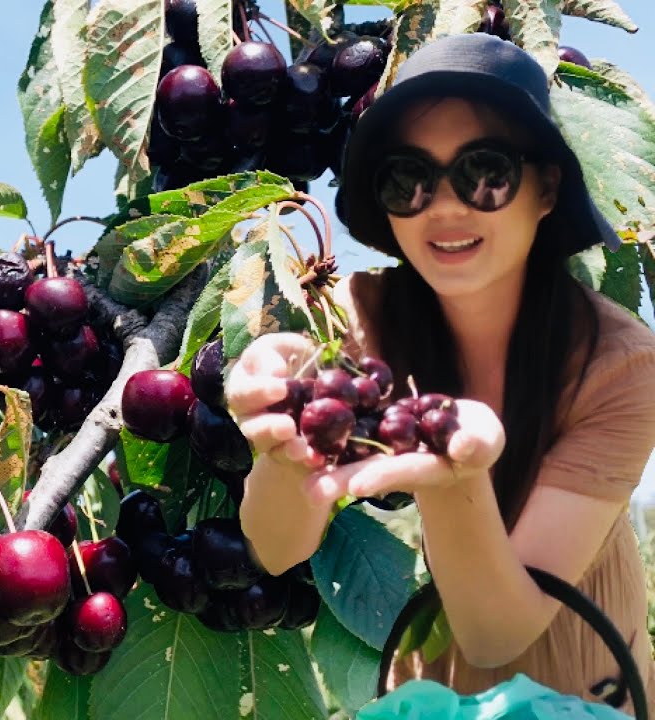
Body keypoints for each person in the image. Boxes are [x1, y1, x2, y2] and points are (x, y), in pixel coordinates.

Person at [226, 32, 655, 715]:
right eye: (409, 180)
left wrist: (456, 478)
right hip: (431, 683)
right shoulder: (357, 322)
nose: (445, 206)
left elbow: (499, 631)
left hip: (582, 682)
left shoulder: (620, 366)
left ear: (546, 188)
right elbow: (275, 550)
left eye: (486, 173)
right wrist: (280, 449)